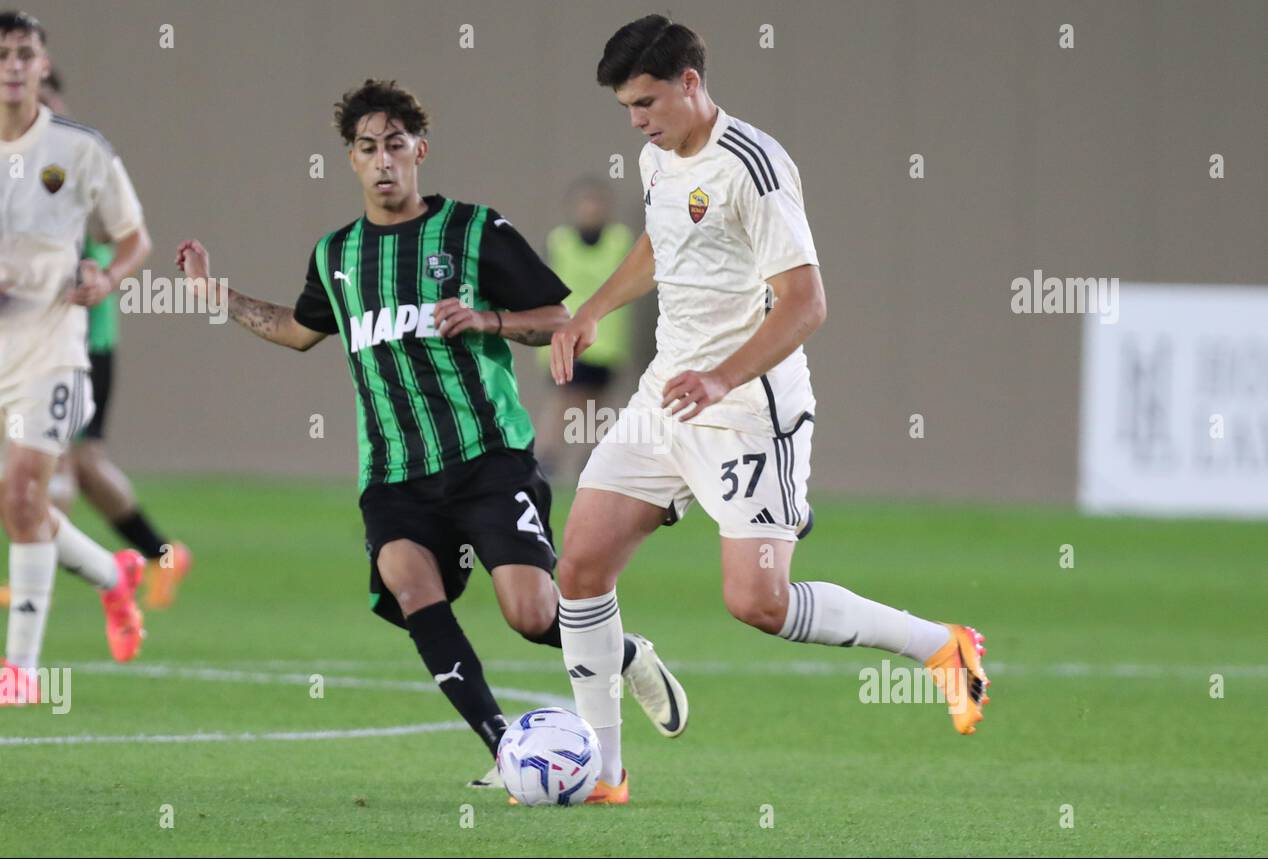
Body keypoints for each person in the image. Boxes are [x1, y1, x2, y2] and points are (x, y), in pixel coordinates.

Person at [176, 79, 686, 788]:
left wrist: (488, 320)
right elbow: (298, 331)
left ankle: (626, 655)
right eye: (366, 148)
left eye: (394, 145)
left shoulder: (475, 232)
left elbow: (555, 320)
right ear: (350, 160)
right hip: (393, 475)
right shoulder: (338, 256)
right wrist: (216, 297)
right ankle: (506, 750)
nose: (383, 160)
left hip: (488, 459)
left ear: (420, 149)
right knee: (414, 590)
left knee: (533, 617)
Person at [549, 16, 991, 803]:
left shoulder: (755, 165)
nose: (637, 120)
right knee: (578, 568)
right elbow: (660, 242)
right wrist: (592, 308)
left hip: (750, 407)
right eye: (626, 107)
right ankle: (604, 775)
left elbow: (806, 303)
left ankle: (942, 647)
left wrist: (721, 379)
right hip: (666, 396)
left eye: (647, 100)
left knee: (758, 603)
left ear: (691, 82)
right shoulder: (657, 158)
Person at [0, 11, 151, 705]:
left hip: (54, 350)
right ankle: (116, 574)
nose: (15, 65)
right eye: (2, 55)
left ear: (42, 67)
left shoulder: (81, 150)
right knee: (23, 513)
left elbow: (134, 238)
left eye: (26, 54)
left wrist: (107, 277)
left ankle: (19, 672)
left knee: (25, 496)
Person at [0, 69, 192, 613]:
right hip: (30, 339)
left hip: (81, 338)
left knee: (61, 461)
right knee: (88, 463)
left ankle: (38, 567)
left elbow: (119, 234)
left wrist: (92, 272)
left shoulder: (73, 163)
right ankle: (163, 555)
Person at [535, 178, 633, 480]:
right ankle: (545, 461)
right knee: (564, 401)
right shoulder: (560, 242)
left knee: (595, 406)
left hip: (607, 341)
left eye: (597, 203)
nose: (591, 209)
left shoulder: (620, 240)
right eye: (585, 203)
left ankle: (589, 465)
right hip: (568, 336)